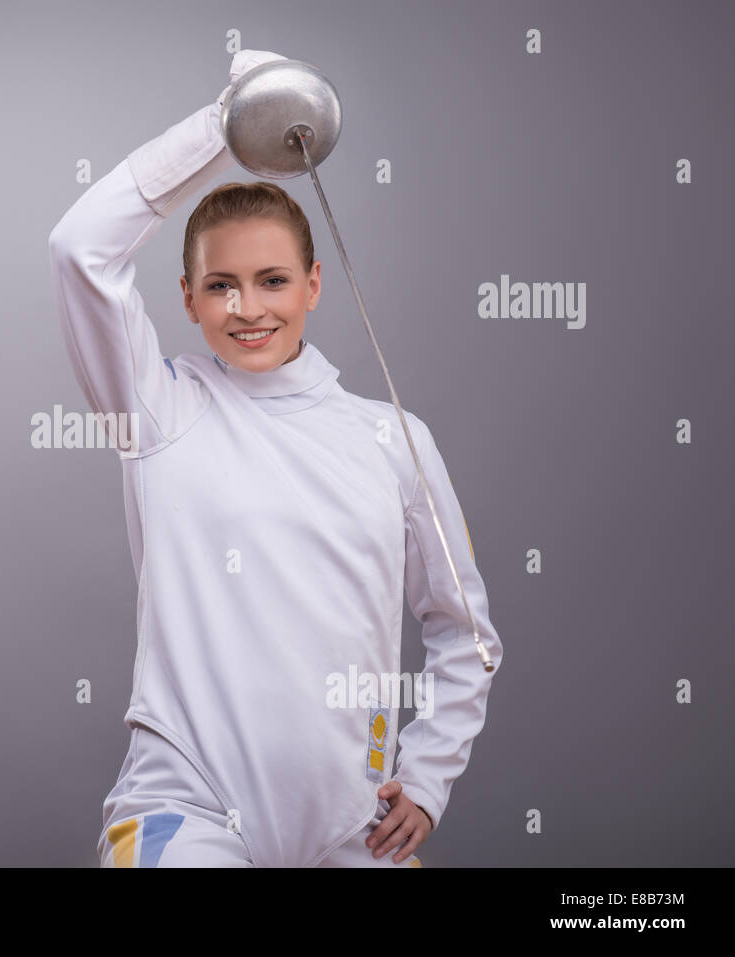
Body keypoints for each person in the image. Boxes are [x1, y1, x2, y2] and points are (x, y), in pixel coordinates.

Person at [46, 50, 503, 867]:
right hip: (184, 814)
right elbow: (81, 246)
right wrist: (229, 126)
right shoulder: (160, 410)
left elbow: (464, 632)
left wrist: (429, 775)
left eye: (271, 280)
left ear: (314, 285)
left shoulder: (393, 438)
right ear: (186, 298)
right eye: (220, 285)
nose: (247, 308)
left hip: (350, 831)